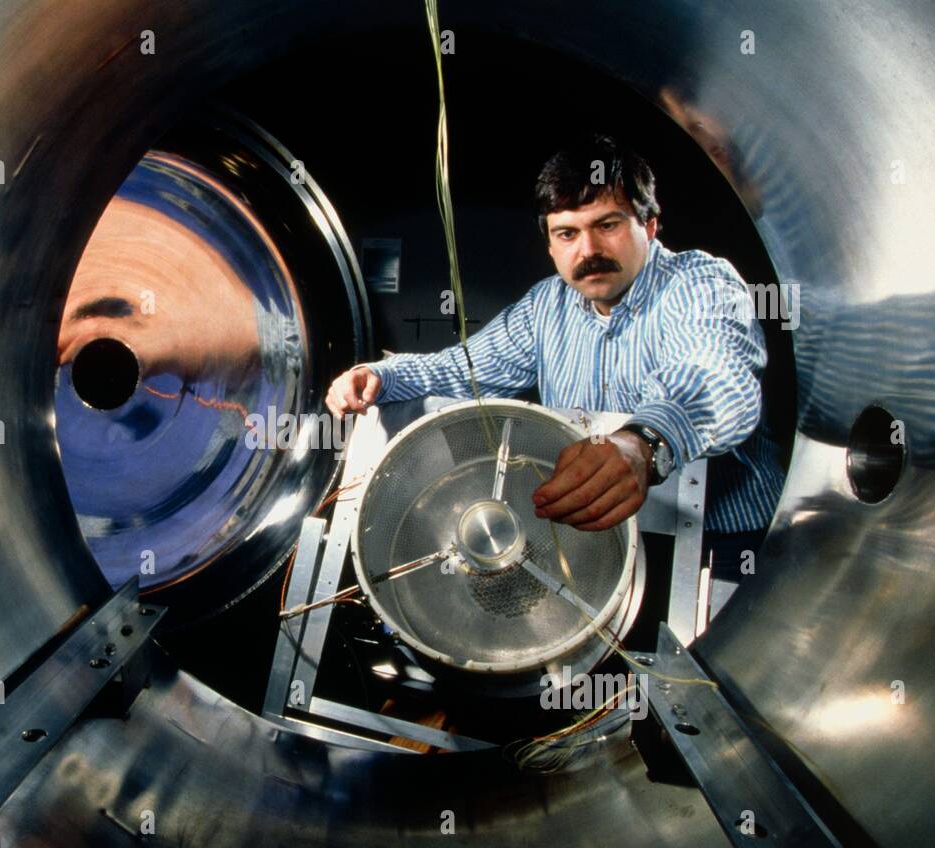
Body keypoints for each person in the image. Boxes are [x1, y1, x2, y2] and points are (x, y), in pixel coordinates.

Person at [325, 135, 785, 581]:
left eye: (607, 225)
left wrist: (644, 443)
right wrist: (380, 375)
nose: (589, 251)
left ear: (649, 225)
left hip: (720, 545)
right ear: (550, 244)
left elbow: (718, 377)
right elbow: (462, 370)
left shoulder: (701, 283)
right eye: (567, 233)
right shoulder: (547, 304)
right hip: (603, 542)